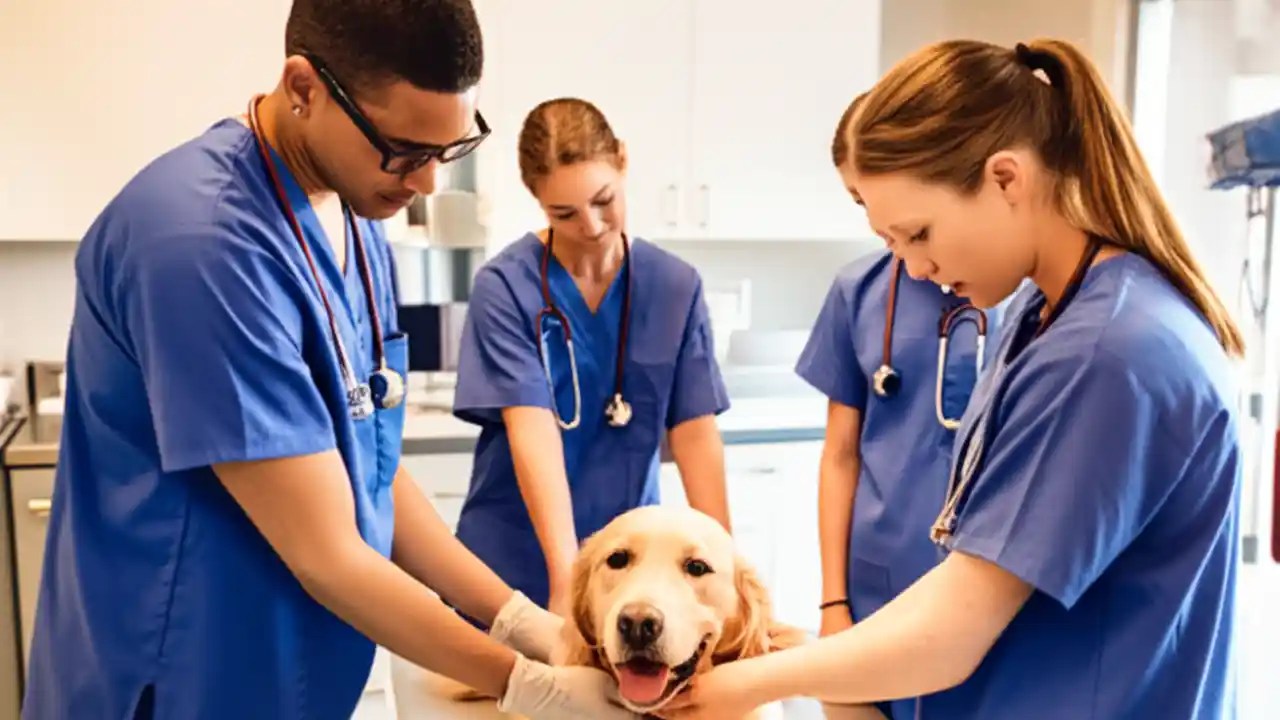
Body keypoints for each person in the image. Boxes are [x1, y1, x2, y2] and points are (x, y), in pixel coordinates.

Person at [24, 3, 639, 719]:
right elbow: (328, 553)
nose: (427, 184)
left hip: (290, 674)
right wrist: (525, 684)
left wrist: (516, 617)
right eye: (406, 150)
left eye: (447, 151)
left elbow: (368, 468)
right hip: (180, 677)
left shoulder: (353, 207)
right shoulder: (200, 244)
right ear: (305, 88)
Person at [660, 37, 1244, 720]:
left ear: (1005, 179)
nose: (911, 268)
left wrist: (749, 681)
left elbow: (955, 631)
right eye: (892, 243)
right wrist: (805, 647)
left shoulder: (1108, 354)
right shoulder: (1042, 311)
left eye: (920, 234)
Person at [452, 96, 733, 619]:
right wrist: (566, 582)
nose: (592, 224)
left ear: (622, 160)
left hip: (630, 569)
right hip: (514, 558)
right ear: (536, 199)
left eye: (604, 199)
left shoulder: (674, 287)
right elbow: (532, 430)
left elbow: (695, 434)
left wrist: (726, 573)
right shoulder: (506, 287)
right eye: (565, 213)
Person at [795, 94, 1004, 720]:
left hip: (982, 593)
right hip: (876, 587)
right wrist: (834, 603)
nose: (879, 227)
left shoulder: (1017, 292)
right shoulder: (858, 292)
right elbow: (839, 456)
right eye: (860, 204)